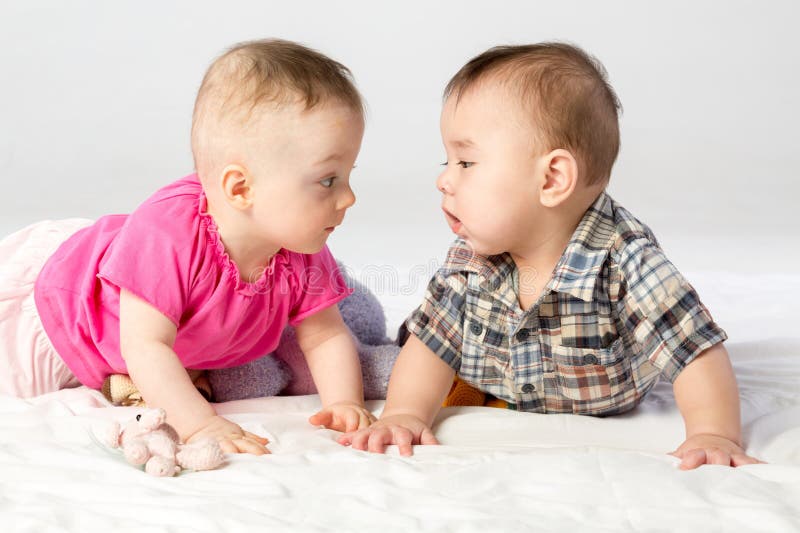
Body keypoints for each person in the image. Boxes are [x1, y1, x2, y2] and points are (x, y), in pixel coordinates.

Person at [338, 42, 762, 470]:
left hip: (603, 395)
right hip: (498, 375)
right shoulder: (473, 256)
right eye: (446, 160)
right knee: (420, 339)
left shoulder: (626, 262)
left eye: (466, 162)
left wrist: (713, 432)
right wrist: (404, 414)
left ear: (552, 178)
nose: (444, 179)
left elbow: (695, 350)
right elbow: (433, 342)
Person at [0, 38, 374, 455]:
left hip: (159, 335)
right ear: (241, 187)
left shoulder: (301, 247)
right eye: (328, 181)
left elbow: (324, 334)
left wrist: (345, 403)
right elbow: (144, 345)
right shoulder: (169, 236)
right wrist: (199, 425)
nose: (348, 198)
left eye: (347, 176)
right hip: (65, 316)